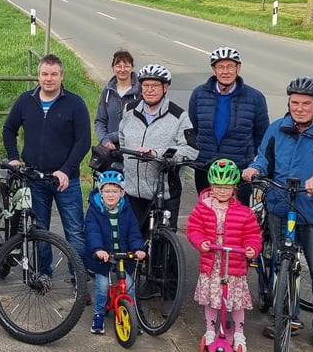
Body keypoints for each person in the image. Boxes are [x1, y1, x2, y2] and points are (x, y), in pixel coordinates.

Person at [241, 76, 313, 351]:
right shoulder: (276, 130)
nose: (300, 108)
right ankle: (286, 317)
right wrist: (254, 169)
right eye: (295, 103)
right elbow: (263, 159)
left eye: (306, 103)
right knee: (279, 264)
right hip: (281, 207)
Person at [2, 54, 91, 272]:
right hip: (34, 178)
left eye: (53, 74)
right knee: (40, 232)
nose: (48, 79)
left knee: (75, 232)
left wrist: (66, 170)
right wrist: (14, 156)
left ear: (62, 76)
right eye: (44, 74)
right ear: (39, 76)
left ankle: (77, 278)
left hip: (65, 181)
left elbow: (83, 141)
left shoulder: (75, 103)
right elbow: (8, 129)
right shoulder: (25, 101)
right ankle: (44, 276)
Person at [186, 159, 261, 352]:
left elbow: (253, 234)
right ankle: (210, 329)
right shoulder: (203, 208)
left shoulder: (244, 212)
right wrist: (200, 241)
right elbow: (194, 228)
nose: (222, 191)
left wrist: (252, 247)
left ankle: (239, 333)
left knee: (235, 301)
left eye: (227, 188)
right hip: (212, 263)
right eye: (218, 187)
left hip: (234, 263)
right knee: (212, 299)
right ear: (211, 187)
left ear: (234, 188)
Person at [118, 64, 198, 232]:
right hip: (133, 191)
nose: (149, 90)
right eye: (146, 85)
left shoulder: (179, 116)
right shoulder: (130, 110)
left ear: (165, 87)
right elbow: (122, 137)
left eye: (155, 85)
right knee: (134, 244)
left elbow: (190, 150)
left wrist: (158, 154)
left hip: (164, 193)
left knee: (163, 247)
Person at [188, 47, 269, 205]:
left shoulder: (255, 98)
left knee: (237, 222)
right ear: (213, 69)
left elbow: (262, 135)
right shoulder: (199, 94)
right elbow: (194, 129)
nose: (225, 72)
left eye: (230, 66)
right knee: (206, 218)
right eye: (220, 67)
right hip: (206, 168)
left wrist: (248, 158)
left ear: (238, 68)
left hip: (239, 170)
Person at [84, 170, 145, 334]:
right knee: (102, 286)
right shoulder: (95, 210)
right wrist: (98, 249)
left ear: (122, 193)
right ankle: (98, 314)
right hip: (103, 257)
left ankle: (132, 317)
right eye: (107, 191)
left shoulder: (126, 210)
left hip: (124, 256)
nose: (111, 195)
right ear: (100, 192)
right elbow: (92, 231)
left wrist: (138, 248)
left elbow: (133, 231)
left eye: (115, 191)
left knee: (129, 286)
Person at [94, 49, 140, 150]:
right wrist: (105, 141)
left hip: (134, 147)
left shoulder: (141, 91)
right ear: (113, 68)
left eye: (126, 66)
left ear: (132, 67)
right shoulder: (107, 91)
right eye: (118, 66)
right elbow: (100, 121)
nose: (122, 70)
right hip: (110, 148)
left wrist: (111, 137)